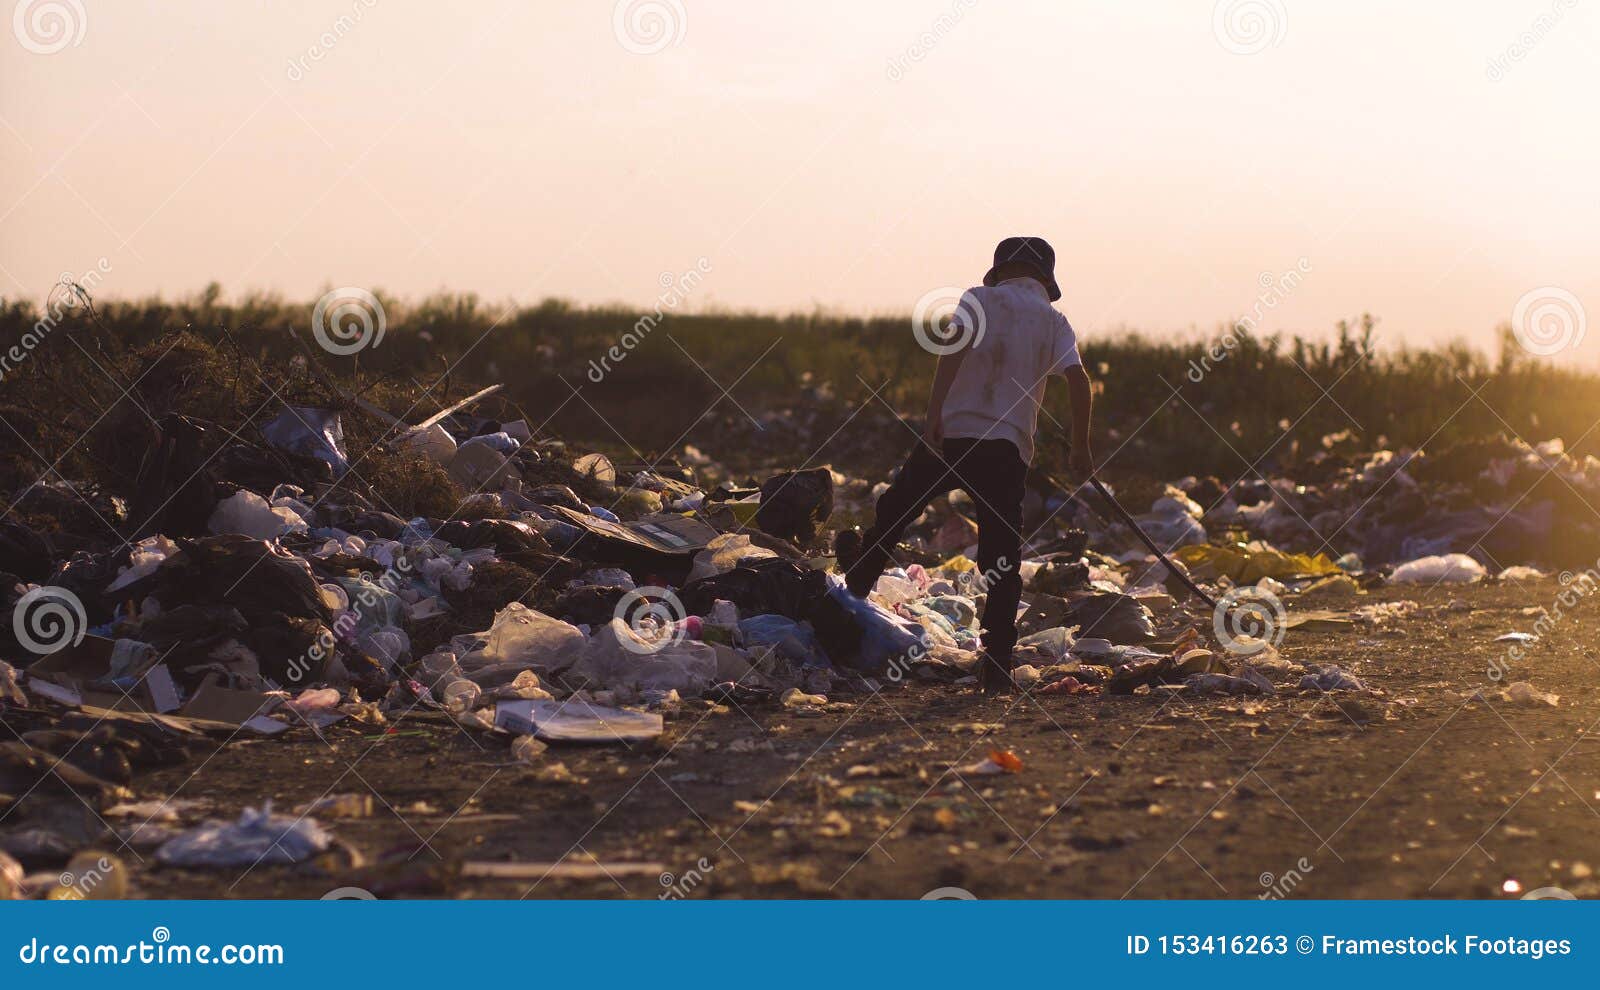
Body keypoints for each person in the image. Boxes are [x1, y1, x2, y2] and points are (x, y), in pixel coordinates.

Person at [844, 236, 1095, 694]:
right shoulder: (1054, 320)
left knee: (895, 513)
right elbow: (1079, 382)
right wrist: (1080, 448)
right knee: (1002, 557)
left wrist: (933, 414)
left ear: (999, 270)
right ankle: (996, 667)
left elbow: (953, 349)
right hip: (1006, 450)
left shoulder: (978, 298)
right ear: (1045, 279)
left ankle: (848, 604)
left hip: (952, 437)